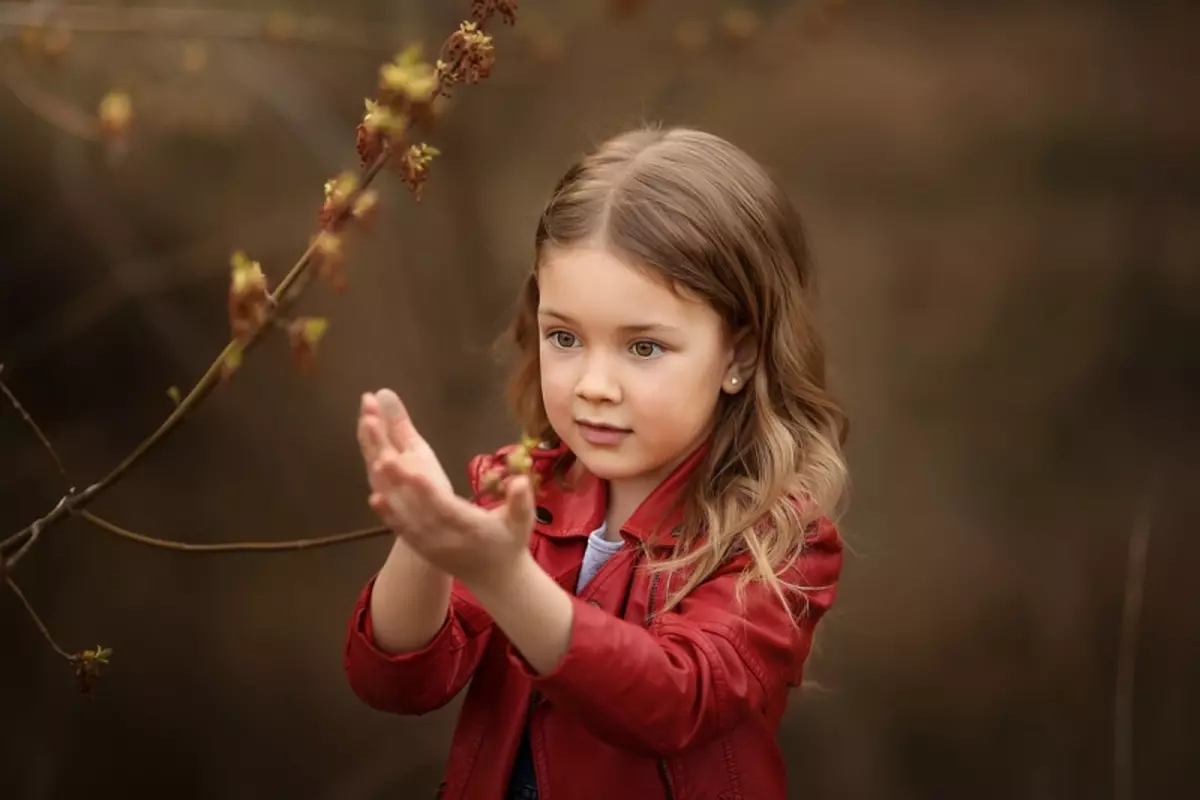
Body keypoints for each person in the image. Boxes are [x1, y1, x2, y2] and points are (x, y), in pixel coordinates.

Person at [344, 125, 849, 800]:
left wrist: (504, 576)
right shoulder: (520, 490)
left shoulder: (777, 538)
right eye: (565, 337)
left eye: (643, 348)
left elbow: (672, 700)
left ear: (739, 355)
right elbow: (397, 682)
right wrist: (424, 541)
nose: (593, 385)